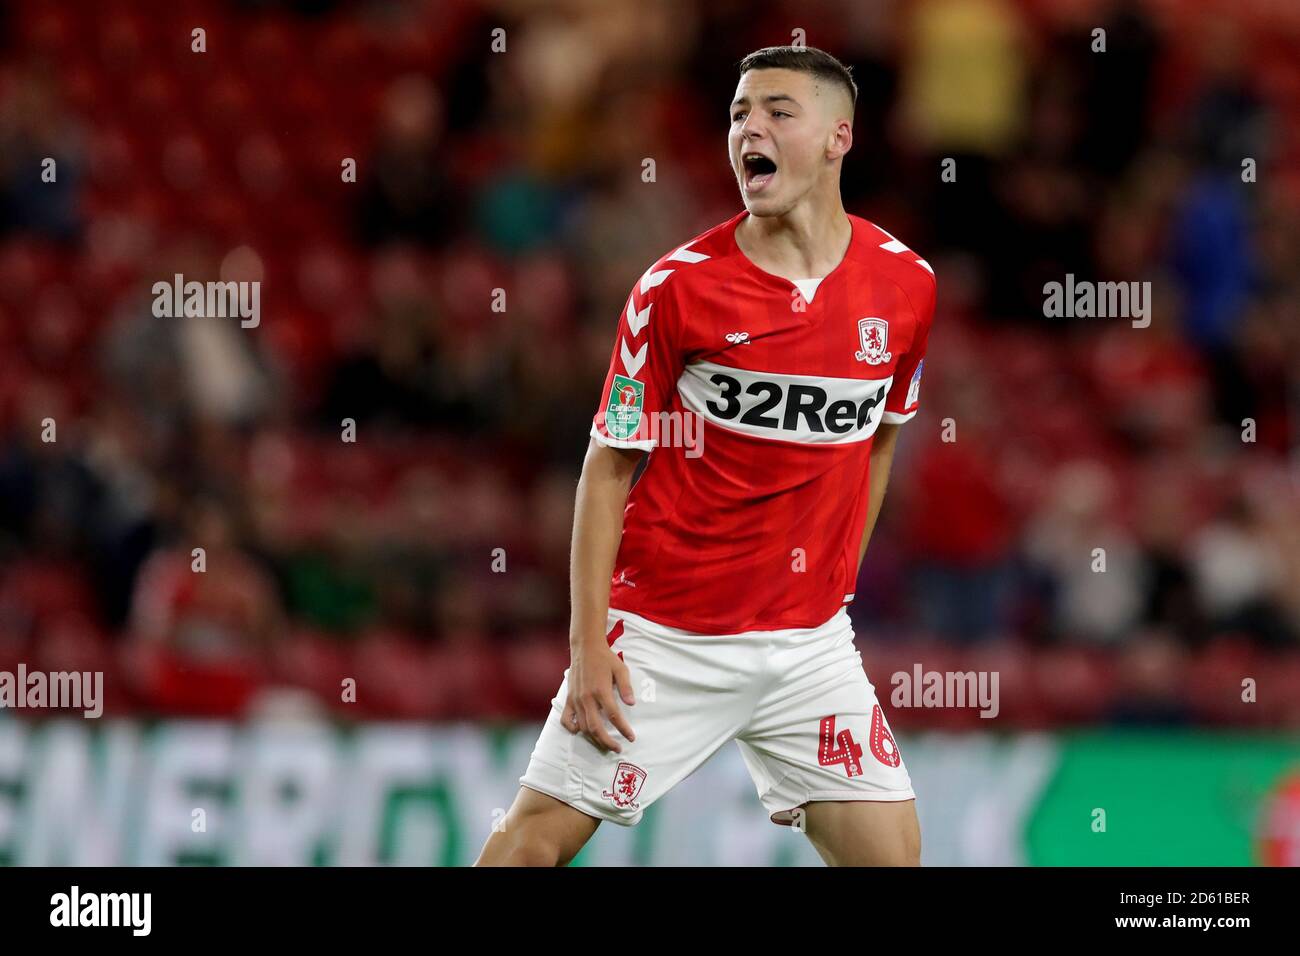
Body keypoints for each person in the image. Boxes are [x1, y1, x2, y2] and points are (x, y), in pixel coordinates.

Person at [476, 45, 936, 867]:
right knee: (532, 845)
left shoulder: (906, 287)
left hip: (808, 647)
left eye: (776, 112)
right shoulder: (676, 289)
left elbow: (883, 436)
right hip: (665, 632)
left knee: (895, 860)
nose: (748, 129)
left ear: (839, 137)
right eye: (738, 113)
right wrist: (589, 646)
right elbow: (607, 466)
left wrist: (837, 584)